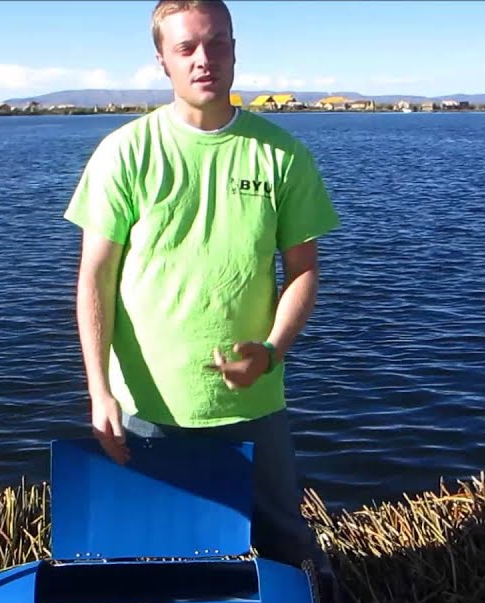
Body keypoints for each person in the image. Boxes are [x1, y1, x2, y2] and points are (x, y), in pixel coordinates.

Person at [65, 0, 339, 572]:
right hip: (146, 403)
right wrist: (99, 390)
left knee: (284, 537)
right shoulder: (125, 152)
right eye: (186, 47)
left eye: (217, 44)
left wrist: (269, 353)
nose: (203, 60)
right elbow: (95, 279)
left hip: (253, 397)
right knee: (156, 544)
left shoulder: (283, 154)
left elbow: (304, 271)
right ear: (163, 61)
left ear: (235, 50)